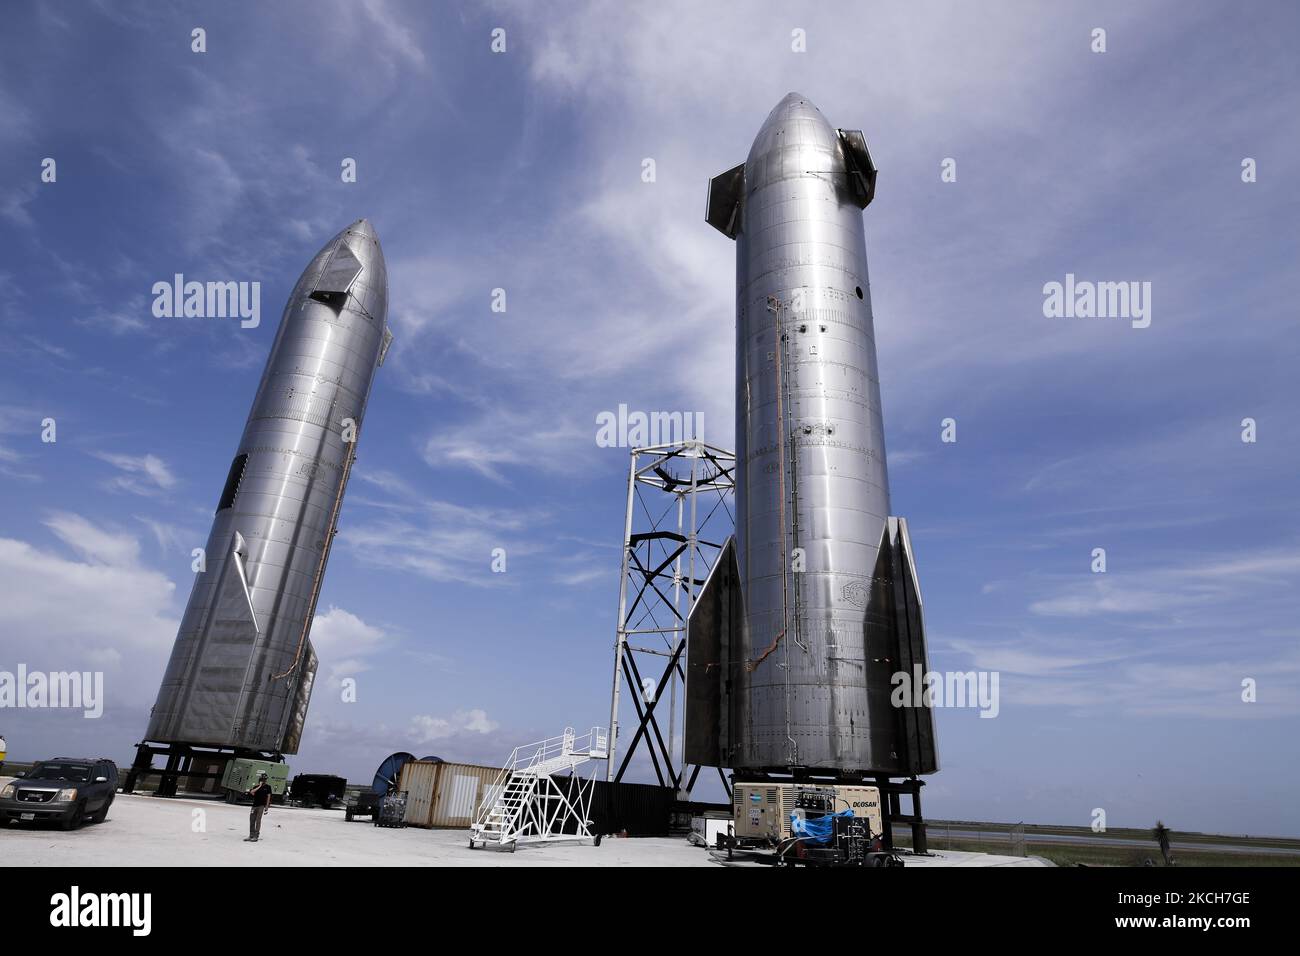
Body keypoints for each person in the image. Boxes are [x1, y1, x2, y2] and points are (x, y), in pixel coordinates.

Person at [244, 770, 273, 842]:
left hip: (261, 806)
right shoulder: (256, 786)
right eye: (263, 779)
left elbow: (268, 797)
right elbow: (252, 792)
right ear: (260, 779)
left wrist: (267, 806)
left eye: (265, 779)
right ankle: (251, 835)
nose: (264, 781)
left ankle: (256, 836)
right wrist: (259, 786)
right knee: (252, 820)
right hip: (254, 806)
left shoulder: (268, 787)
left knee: (258, 820)